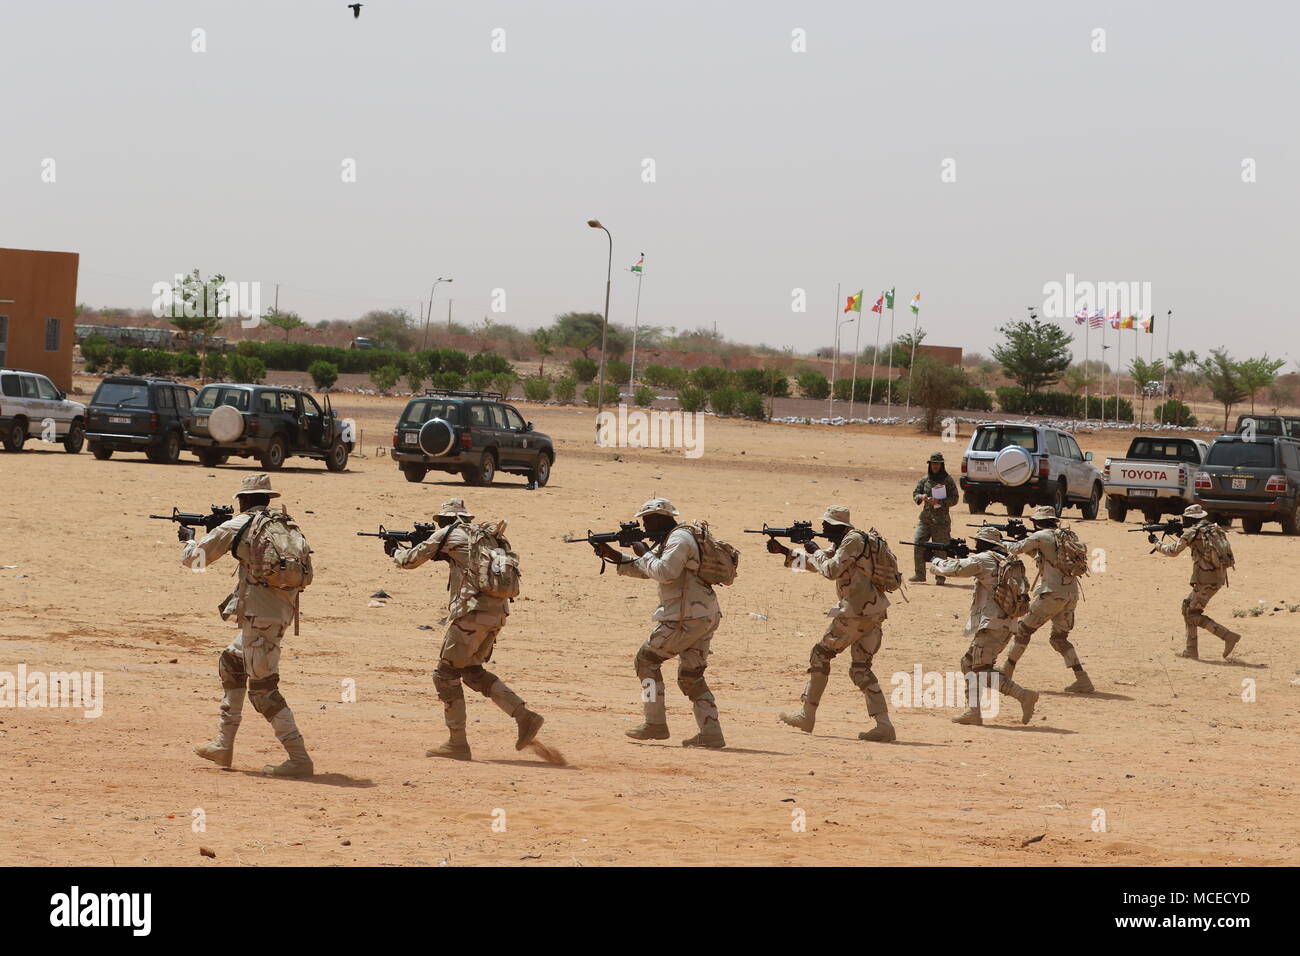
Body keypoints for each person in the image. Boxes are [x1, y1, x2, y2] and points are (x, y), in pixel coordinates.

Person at [391, 498, 544, 760]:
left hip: (469, 615)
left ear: (445, 520)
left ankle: (457, 743)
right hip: (496, 614)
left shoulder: (449, 533)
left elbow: (408, 561)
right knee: (472, 672)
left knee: (445, 675)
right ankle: (523, 715)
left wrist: (394, 550)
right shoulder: (492, 539)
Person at [186, 474, 314, 777]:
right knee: (232, 662)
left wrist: (187, 538)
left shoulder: (239, 525)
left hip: (261, 618)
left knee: (263, 689)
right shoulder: (284, 524)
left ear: (242, 500)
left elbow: (195, 561)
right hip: (279, 612)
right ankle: (223, 744)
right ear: (267, 499)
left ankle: (299, 759)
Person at [593, 497, 726, 748]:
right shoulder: (673, 538)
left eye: (647, 520)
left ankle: (655, 723)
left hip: (684, 617)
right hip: (702, 614)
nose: (644, 526)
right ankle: (711, 732)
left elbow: (664, 573)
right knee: (691, 675)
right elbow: (649, 569)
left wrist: (642, 551)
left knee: (646, 661)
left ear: (661, 519)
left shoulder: (678, 540)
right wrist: (615, 556)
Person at [770, 505, 896, 742]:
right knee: (861, 669)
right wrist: (786, 552)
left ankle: (807, 715)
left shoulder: (852, 542)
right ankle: (884, 725)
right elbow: (821, 563)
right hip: (873, 612)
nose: (823, 529)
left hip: (856, 613)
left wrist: (814, 548)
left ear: (837, 526)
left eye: (826, 525)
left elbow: (830, 570)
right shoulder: (848, 542)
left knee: (820, 654)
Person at [930, 527, 1040, 726]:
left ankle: (1023, 695)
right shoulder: (1006, 560)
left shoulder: (985, 559)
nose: (976, 546)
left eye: (978, 543)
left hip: (993, 625)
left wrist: (935, 562)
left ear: (985, 544)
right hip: (1004, 623)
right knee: (968, 663)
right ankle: (973, 711)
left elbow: (955, 570)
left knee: (981, 670)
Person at [1001, 505, 1094, 693]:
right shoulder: (1067, 536)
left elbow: (1015, 549)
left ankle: (1005, 673)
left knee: (1022, 631)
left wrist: (1001, 540)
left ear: (1037, 522)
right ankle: (1082, 679)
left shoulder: (1040, 536)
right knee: (1059, 639)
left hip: (1052, 594)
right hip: (1071, 594)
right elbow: (1042, 556)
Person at [1154, 504, 1241, 660]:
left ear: (1189, 518)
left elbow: (1173, 551)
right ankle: (1191, 650)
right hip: (1218, 577)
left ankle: (1227, 636)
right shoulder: (1214, 529)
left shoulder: (1192, 532)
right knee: (1187, 607)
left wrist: (1156, 543)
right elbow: (1201, 546)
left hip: (1205, 579)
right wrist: (1182, 534)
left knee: (1191, 613)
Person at [910, 452, 959, 584]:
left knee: (941, 549)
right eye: (933, 464)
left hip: (941, 521)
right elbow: (916, 493)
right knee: (918, 542)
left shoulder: (948, 480)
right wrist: (921, 497)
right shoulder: (925, 479)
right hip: (925, 519)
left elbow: (955, 498)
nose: (935, 466)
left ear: (941, 465)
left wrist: (940, 502)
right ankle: (920, 574)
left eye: (937, 464)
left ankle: (940, 576)